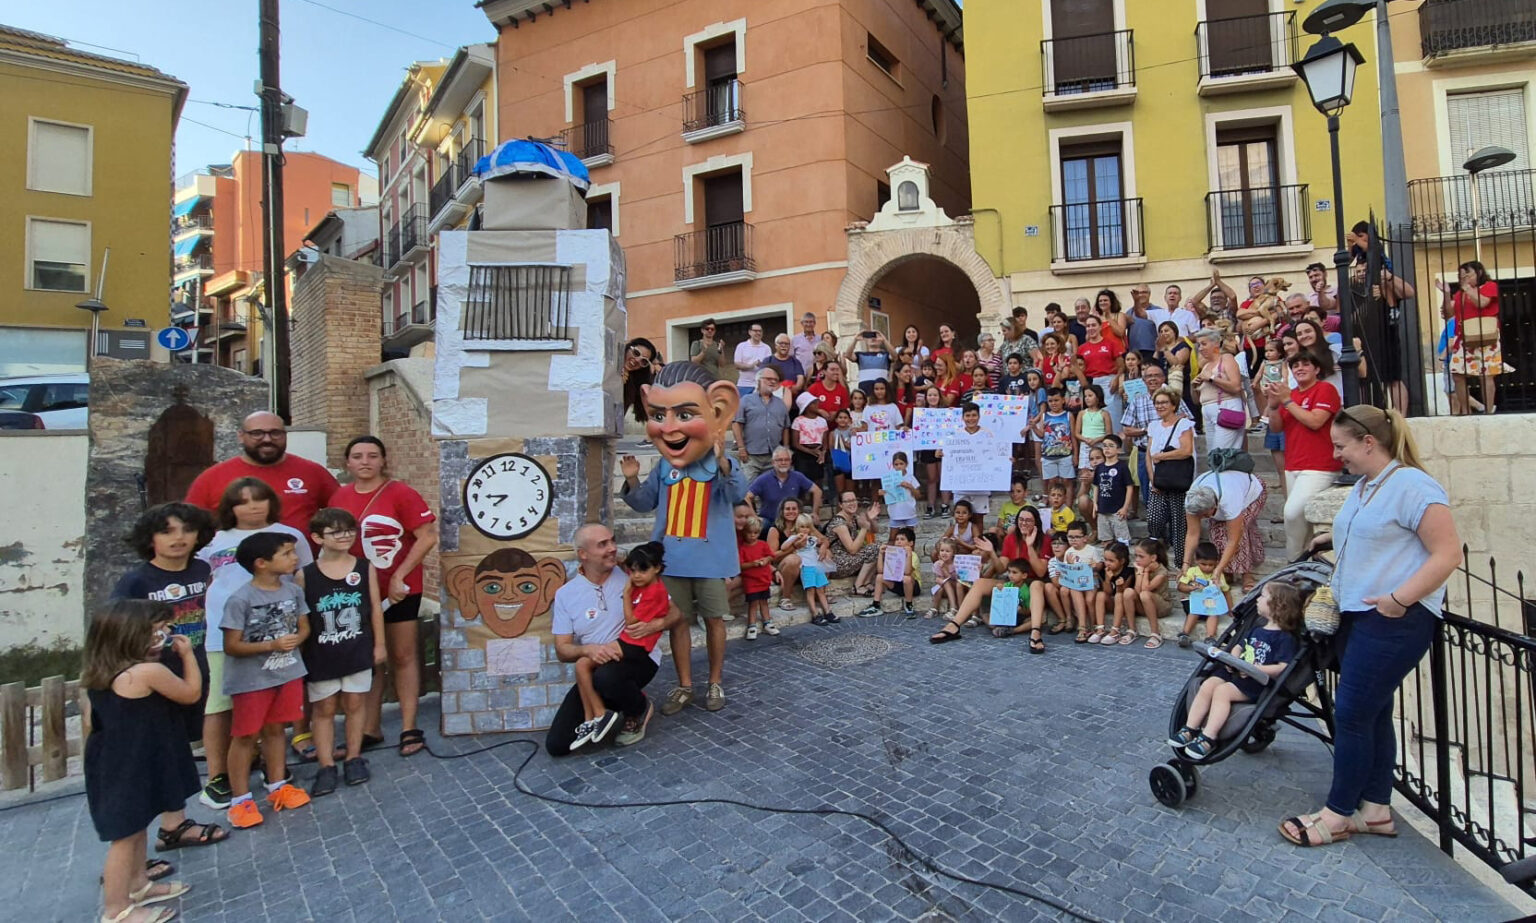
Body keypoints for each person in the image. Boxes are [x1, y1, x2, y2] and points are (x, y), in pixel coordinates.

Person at [1278, 405, 1461, 848]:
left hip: (1394, 618)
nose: (1336, 454)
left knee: (1353, 715)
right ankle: (1376, 810)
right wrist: (1332, 538)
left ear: (1368, 442)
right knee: (1373, 712)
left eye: (1340, 446)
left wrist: (1399, 600)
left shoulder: (1414, 486)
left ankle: (1338, 814)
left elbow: (1448, 553)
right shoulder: (1366, 486)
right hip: (1363, 613)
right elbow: (1374, 533)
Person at [620, 361, 747, 716]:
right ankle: (684, 685)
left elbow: (737, 493)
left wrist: (724, 462)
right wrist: (631, 480)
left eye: (684, 414)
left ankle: (715, 681)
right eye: (659, 415)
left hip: (710, 561)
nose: (670, 428)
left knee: (714, 621)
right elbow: (645, 503)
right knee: (676, 622)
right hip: (671, 559)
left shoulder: (723, 460)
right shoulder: (664, 467)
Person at [111, 503, 226, 855]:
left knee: (178, 751)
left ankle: (174, 825)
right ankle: (129, 849)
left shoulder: (204, 569)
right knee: (154, 755)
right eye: (167, 531)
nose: (179, 538)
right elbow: (116, 632)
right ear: (150, 538)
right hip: (154, 679)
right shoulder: (137, 581)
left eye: (186, 530)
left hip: (196, 667)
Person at [83, 599, 202, 923]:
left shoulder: (100, 673)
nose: (164, 637)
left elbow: (94, 723)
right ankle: (117, 909)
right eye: (157, 632)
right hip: (133, 762)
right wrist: (188, 655)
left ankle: (138, 884)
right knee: (124, 838)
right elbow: (190, 693)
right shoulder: (148, 672)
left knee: (135, 829)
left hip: (115, 759)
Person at [197, 478, 314, 781]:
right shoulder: (213, 540)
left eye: (259, 499)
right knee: (221, 702)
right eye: (243, 501)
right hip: (228, 631)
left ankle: (273, 768)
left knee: (273, 705)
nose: (252, 507)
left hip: (279, 631)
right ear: (230, 507)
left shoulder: (290, 535)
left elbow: (303, 575)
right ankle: (218, 774)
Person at [329, 436, 438, 759]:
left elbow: (426, 535)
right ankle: (369, 727)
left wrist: (401, 575)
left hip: (398, 588)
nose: (365, 462)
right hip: (358, 590)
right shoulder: (340, 496)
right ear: (348, 462)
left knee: (403, 656)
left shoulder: (400, 493)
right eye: (358, 456)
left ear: (383, 460)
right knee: (367, 661)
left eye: (372, 455)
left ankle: (408, 726)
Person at [547, 525, 679, 755]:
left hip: (638, 659)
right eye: (603, 544)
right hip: (596, 664)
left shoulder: (633, 575)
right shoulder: (566, 595)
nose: (612, 548)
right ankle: (605, 713)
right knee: (558, 744)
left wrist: (656, 625)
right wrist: (587, 650)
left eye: (612, 541)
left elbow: (676, 613)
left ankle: (638, 708)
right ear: (583, 554)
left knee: (606, 678)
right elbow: (562, 650)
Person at [220, 531, 312, 829]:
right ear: (261, 563)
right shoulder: (240, 600)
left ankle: (278, 785)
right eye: (286, 553)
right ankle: (240, 800)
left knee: (276, 731)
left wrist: (299, 638)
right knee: (245, 735)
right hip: (252, 680)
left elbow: (304, 626)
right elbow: (232, 645)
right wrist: (270, 646)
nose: (294, 558)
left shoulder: (293, 591)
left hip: (287, 673)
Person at [296, 508, 384, 795]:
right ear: (317, 537)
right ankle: (325, 764)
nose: (345, 536)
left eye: (349, 530)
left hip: (357, 647)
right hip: (321, 653)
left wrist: (380, 644)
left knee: (356, 704)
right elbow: (301, 617)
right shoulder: (305, 575)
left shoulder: (363, 567)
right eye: (336, 532)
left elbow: (374, 609)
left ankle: (354, 756)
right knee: (324, 708)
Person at [1174, 581, 1306, 758]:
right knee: (1209, 684)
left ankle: (1209, 737)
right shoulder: (1257, 629)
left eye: (1263, 596)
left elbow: (1282, 667)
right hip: (1237, 672)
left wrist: (1255, 669)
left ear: (1277, 605)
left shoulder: (1285, 638)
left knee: (1222, 691)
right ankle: (1190, 728)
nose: (1258, 599)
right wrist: (1233, 658)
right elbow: (1240, 646)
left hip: (1256, 681)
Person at [184, 411, 339, 541]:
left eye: (275, 433)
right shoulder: (212, 477)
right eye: (257, 433)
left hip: (298, 568)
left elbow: (343, 511)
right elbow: (190, 524)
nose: (267, 439)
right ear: (241, 436)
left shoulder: (312, 472)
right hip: (232, 570)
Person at [1266, 351, 1341, 560]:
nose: (1299, 368)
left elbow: (1315, 421)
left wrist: (1287, 401)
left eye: (1305, 364)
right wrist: (1273, 405)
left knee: (1291, 513)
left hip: (1320, 465)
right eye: (1295, 365)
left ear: (1316, 369)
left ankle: (1294, 561)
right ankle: (1306, 564)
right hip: (1293, 464)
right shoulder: (1291, 395)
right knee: (1301, 520)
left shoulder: (1325, 389)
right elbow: (1276, 426)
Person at [1182, 466, 1268, 595]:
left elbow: (1233, 540)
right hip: (1231, 488)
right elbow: (1192, 534)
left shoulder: (1230, 499)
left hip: (1252, 492)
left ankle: (1246, 574)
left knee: (1240, 530)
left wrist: (1217, 570)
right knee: (1216, 534)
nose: (1203, 518)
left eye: (1205, 515)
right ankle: (1227, 571)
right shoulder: (1192, 500)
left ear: (1215, 505)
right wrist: (1186, 564)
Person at [1439, 260, 1501, 416]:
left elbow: (1482, 303)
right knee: (1457, 374)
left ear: (1479, 273)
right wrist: (1446, 294)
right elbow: (1448, 314)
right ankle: (1466, 412)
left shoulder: (1490, 287)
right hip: (1464, 338)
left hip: (1486, 337)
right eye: (1461, 276)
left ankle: (1488, 411)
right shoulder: (1459, 294)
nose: (1464, 278)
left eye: (1467, 274)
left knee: (1486, 374)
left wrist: (1468, 288)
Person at [1145, 386, 1197, 565]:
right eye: (1157, 403)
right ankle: (1159, 553)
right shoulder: (1153, 426)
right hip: (1159, 481)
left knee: (1179, 523)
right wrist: (1152, 479)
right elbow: (1148, 455)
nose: (1160, 406)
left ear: (1173, 405)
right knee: (1153, 519)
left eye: (1164, 402)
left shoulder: (1184, 424)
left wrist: (1162, 456)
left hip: (1178, 480)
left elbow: (1186, 451)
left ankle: (1181, 562)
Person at [1191, 328, 1245, 448]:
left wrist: (1211, 378)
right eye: (1199, 345)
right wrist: (1193, 386)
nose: (1200, 348)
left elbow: (1236, 387)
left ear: (1216, 343)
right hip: (1208, 411)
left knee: (1220, 452)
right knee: (1212, 454)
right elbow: (1196, 400)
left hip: (1225, 408)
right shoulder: (1205, 366)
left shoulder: (1226, 358)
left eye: (1204, 344)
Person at [746, 446, 821, 533]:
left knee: (812, 524)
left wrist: (815, 512)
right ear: (773, 462)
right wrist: (754, 516)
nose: (783, 462)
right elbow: (746, 497)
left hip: (793, 520)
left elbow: (817, 491)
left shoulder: (798, 476)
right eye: (780, 460)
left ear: (791, 462)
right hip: (770, 521)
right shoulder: (763, 479)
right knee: (758, 527)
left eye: (786, 460)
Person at [733, 368, 790, 481]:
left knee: (771, 489)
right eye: (768, 379)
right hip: (751, 455)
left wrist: (785, 449)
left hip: (774, 456)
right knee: (747, 490)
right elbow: (736, 424)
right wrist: (741, 447)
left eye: (775, 380)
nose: (772, 382)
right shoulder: (746, 400)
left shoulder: (780, 404)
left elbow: (785, 428)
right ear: (759, 380)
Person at [1076, 315, 1125, 432]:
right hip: (1091, 383)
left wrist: (1117, 379)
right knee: (1093, 417)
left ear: (1100, 327)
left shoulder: (1111, 343)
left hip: (1109, 381)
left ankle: (1117, 447)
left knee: (1113, 416)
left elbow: (1122, 365)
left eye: (1093, 325)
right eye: (1088, 326)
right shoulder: (1082, 348)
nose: (1091, 328)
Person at [824, 491, 881, 593]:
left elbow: (875, 530)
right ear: (841, 505)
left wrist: (870, 519)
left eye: (854, 500)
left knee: (879, 547)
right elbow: (852, 550)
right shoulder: (839, 523)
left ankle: (866, 582)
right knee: (875, 548)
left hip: (850, 559)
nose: (852, 503)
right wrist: (864, 528)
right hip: (838, 564)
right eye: (848, 501)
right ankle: (857, 586)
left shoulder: (853, 517)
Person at [1125, 537, 1176, 647]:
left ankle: (1155, 633)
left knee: (1145, 594)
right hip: (1144, 604)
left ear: (1153, 558)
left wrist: (1146, 572)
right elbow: (1137, 590)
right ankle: (1131, 630)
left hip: (1161, 607)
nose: (1137, 560)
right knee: (1128, 592)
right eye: (1136, 556)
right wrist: (1139, 573)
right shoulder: (1140, 567)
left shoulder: (1161, 572)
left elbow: (1145, 589)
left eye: (1141, 556)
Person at [1178, 541, 1229, 648]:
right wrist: (1191, 588)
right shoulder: (1192, 571)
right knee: (1194, 611)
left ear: (1216, 562)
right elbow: (1180, 587)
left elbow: (1225, 590)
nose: (1207, 568)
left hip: (1210, 604)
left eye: (1211, 565)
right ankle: (1185, 634)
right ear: (1196, 561)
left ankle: (1210, 637)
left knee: (1213, 614)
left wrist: (1230, 608)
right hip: (1193, 604)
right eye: (1203, 564)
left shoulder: (1217, 574)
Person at [737, 514, 778, 640]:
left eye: (755, 533)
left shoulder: (763, 544)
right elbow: (740, 565)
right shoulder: (742, 548)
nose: (752, 535)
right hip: (751, 581)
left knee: (764, 602)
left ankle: (768, 622)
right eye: (750, 533)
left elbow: (771, 555)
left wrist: (766, 560)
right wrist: (752, 564)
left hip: (763, 579)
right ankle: (752, 625)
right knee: (753, 604)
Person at [1088, 541, 1134, 646]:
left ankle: (1115, 631)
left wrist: (1119, 585)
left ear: (1122, 561)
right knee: (1100, 595)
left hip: (1123, 604)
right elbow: (1107, 592)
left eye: (1111, 561)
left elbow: (1122, 593)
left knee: (1118, 595)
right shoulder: (1103, 571)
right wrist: (1108, 580)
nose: (1107, 563)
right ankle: (1100, 629)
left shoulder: (1129, 572)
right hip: (1111, 602)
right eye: (1105, 560)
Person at [1092, 435, 1133, 545]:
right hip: (1102, 510)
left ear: (1118, 449)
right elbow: (1096, 486)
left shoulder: (1122, 466)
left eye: (1111, 446)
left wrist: (1125, 507)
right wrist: (1095, 503)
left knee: (1122, 541)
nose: (1107, 449)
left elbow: (1129, 487)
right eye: (1105, 446)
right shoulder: (1100, 467)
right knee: (1105, 540)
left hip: (1118, 510)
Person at [620, 337, 662, 425]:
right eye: (636, 353)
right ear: (627, 348)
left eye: (644, 361)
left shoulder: (633, 385)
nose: (637, 360)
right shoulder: (605, 366)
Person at [843, 330, 894, 396]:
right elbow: (847, 355)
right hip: (865, 390)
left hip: (882, 391)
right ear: (866, 340)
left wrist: (884, 340)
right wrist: (855, 339)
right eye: (870, 337)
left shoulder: (886, 355)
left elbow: (895, 356)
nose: (873, 338)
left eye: (875, 336)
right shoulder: (860, 355)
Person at [732, 323, 773, 398]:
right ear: (750, 332)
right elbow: (737, 364)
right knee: (743, 407)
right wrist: (751, 365)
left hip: (761, 385)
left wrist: (762, 365)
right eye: (755, 331)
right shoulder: (742, 346)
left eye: (760, 331)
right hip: (744, 385)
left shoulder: (766, 348)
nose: (758, 333)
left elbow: (770, 366)